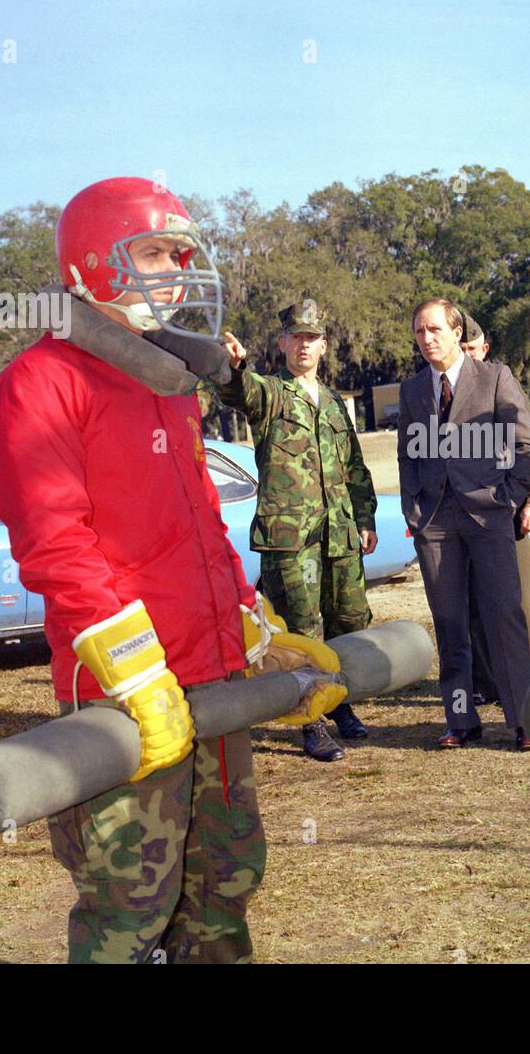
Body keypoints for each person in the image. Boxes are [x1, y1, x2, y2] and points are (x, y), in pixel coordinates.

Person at [0, 176, 341, 962]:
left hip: (211, 686)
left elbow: (200, 525)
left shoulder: (169, 382)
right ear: (88, 263)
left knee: (225, 881)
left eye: (180, 253)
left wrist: (252, 627)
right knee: (131, 908)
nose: (174, 269)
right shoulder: (39, 384)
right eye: (152, 251)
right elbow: (56, 547)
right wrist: (139, 677)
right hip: (127, 696)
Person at [219, 300, 379, 762]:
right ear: (283, 343)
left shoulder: (331, 402)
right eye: (296, 337)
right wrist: (233, 369)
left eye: (312, 338)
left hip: (339, 535)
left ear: (324, 345)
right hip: (291, 540)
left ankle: (341, 702)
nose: (304, 345)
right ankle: (312, 722)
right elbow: (238, 391)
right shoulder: (270, 394)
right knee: (304, 631)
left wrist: (364, 519)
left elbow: (354, 467)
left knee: (349, 621)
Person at [397, 299, 530, 750]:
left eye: (435, 329)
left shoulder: (494, 377)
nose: (427, 339)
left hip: (489, 514)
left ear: (457, 332)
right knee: (450, 622)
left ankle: (524, 721)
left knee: (505, 618)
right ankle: (461, 719)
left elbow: (525, 443)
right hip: (436, 521)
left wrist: (511, 498)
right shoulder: (413, 389)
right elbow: (407, 454)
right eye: (420, 331)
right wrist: (413, 509)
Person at [457, 312, 530, 706]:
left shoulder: (500, 381)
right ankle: (486, 682)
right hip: (463, 513)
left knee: (517, 602)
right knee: (472, 602)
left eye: (471, 350)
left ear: (484, 349)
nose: (466, 357)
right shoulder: (445, 390)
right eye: (460, 350)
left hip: (506, 508)